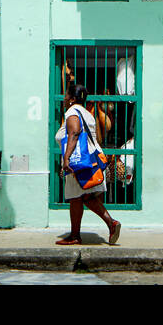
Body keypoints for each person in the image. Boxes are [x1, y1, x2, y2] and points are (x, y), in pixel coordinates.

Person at [55, 84, 121, 246]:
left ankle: (109, 223)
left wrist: (66, 158)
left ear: (71, 99)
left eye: (66, 95)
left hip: (78, 163)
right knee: (82, 197)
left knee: (80, 197)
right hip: (89, 161)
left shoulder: (72, 112)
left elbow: (74, 133)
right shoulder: (87, 113)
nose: (64, 98)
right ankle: (77, 234)